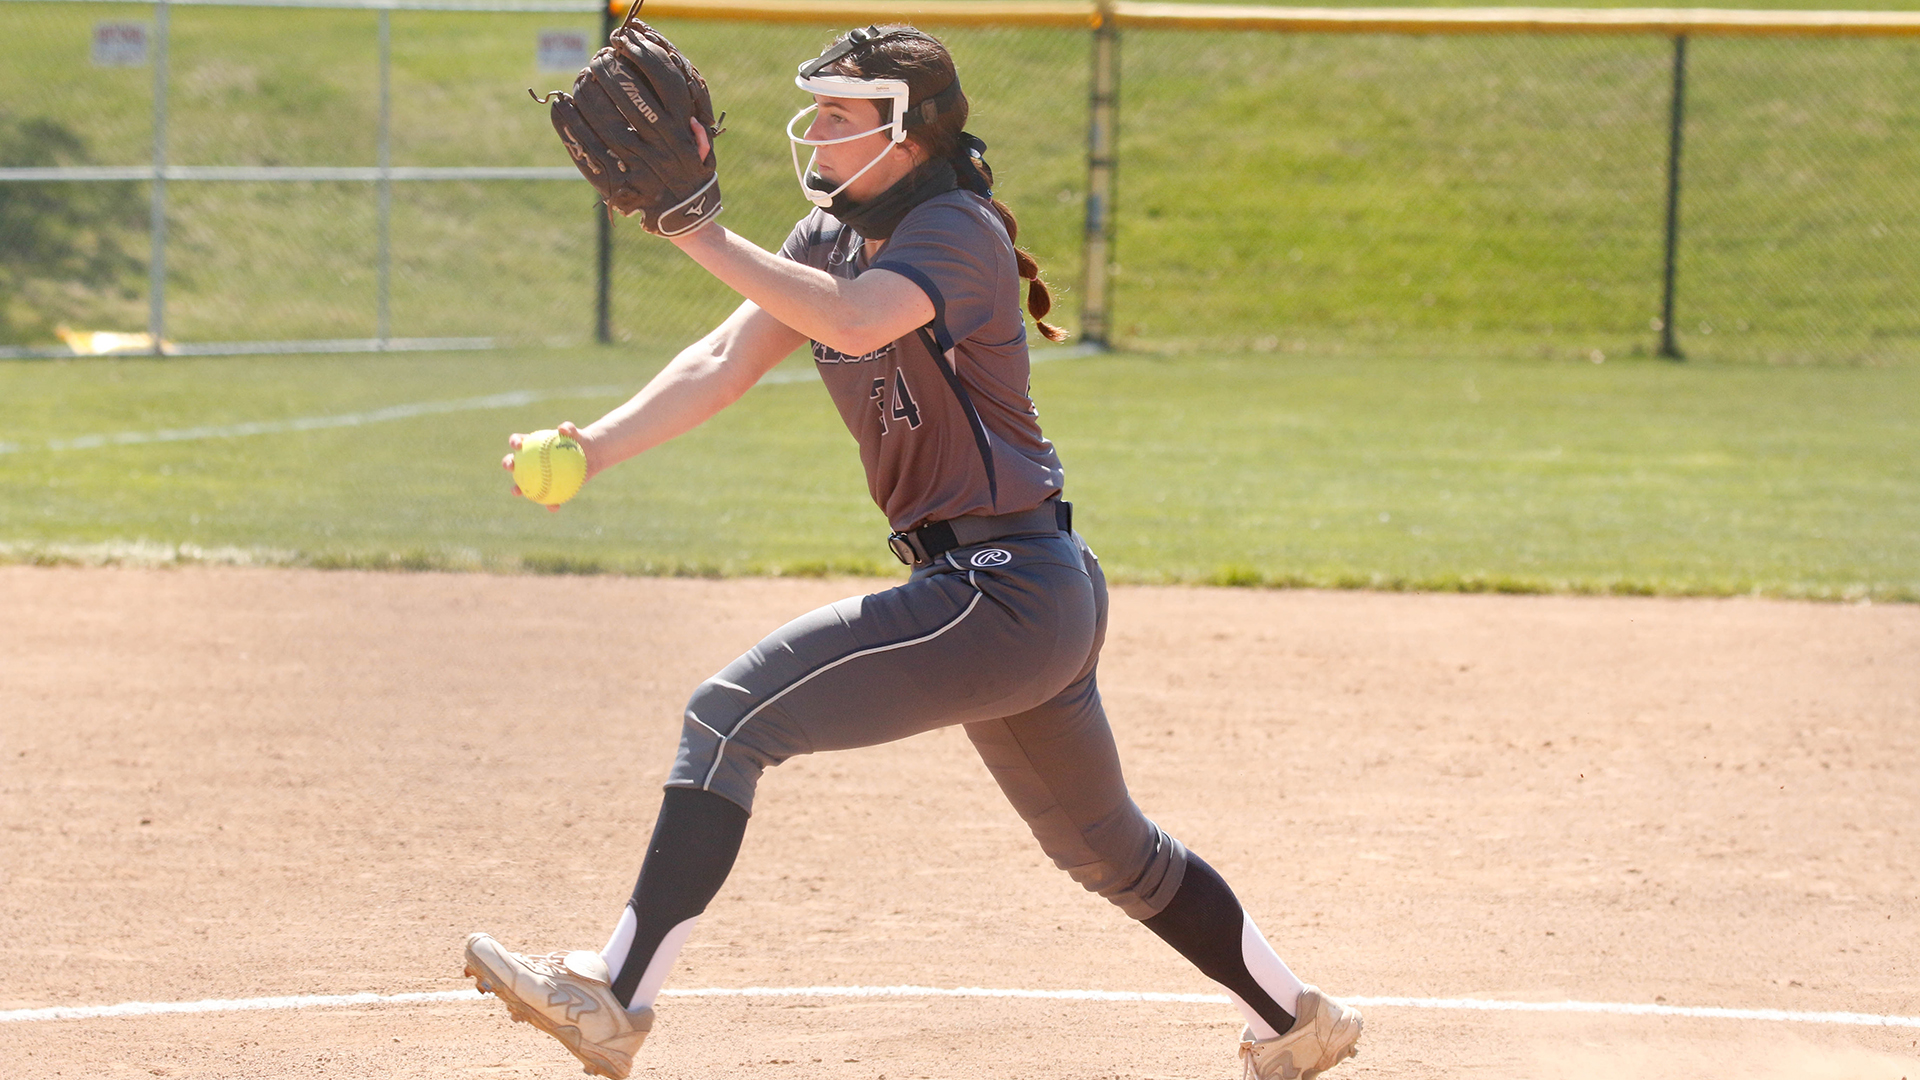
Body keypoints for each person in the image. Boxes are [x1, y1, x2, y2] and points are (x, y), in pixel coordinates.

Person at [464, 24, 1363, 1080]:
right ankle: (1296, 1020)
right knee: (1108, 851)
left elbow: (854, 326)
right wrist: (596, 446)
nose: (820, 130)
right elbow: (725, 353)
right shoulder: (828, 239)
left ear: (904, 131)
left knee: (728, 718)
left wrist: (695, 227)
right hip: (1019, 595)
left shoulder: (955, 231)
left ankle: (614, 998)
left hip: (1001, 590)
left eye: (844, 114)